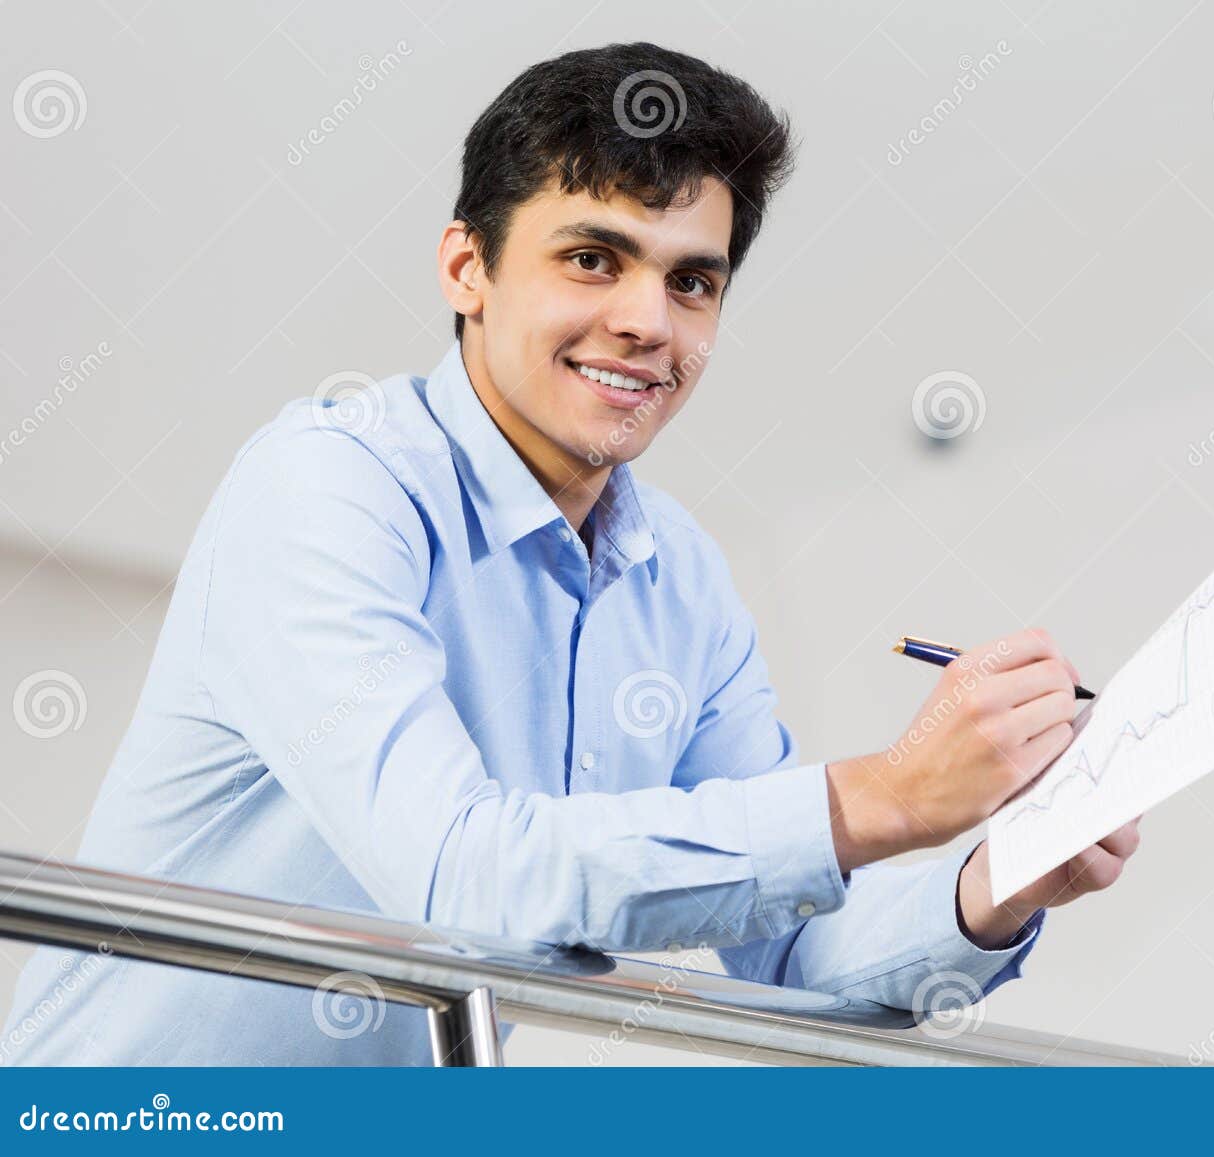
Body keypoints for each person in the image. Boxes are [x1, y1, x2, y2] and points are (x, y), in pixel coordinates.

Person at [2, 42, 1140, 1065]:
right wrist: (886, 795)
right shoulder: (326, 482)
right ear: (467, 269)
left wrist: (1000, 876)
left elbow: (795, 957)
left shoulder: (681, 579)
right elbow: (460, 877)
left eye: (693, 280)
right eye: (595, 258)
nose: (651, 320)